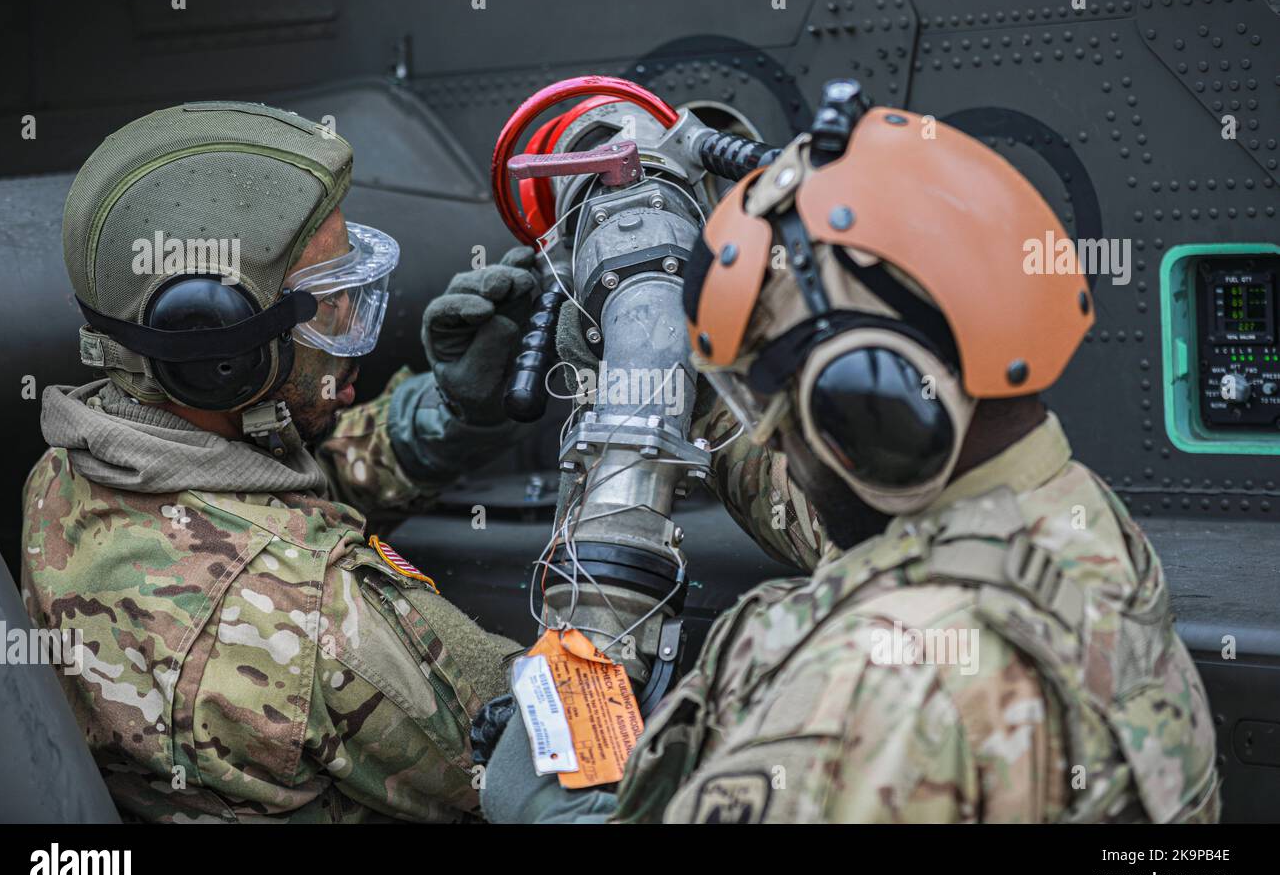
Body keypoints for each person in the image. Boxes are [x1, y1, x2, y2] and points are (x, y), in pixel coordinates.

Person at [481, 102, 1221, 823]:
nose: (769, 438)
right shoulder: (1072, 515)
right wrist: (655, 363)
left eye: (773, 401)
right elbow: (837, 504)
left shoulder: (868, 695)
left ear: (864, 397)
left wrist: (556, 809)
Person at [22, 101, 537, 822]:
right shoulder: (321, 626)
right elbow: (570, 762)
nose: (356, 331)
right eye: (333, 305)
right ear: (221, 350)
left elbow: (277, 501)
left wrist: (449, 411)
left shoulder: (73, 469)